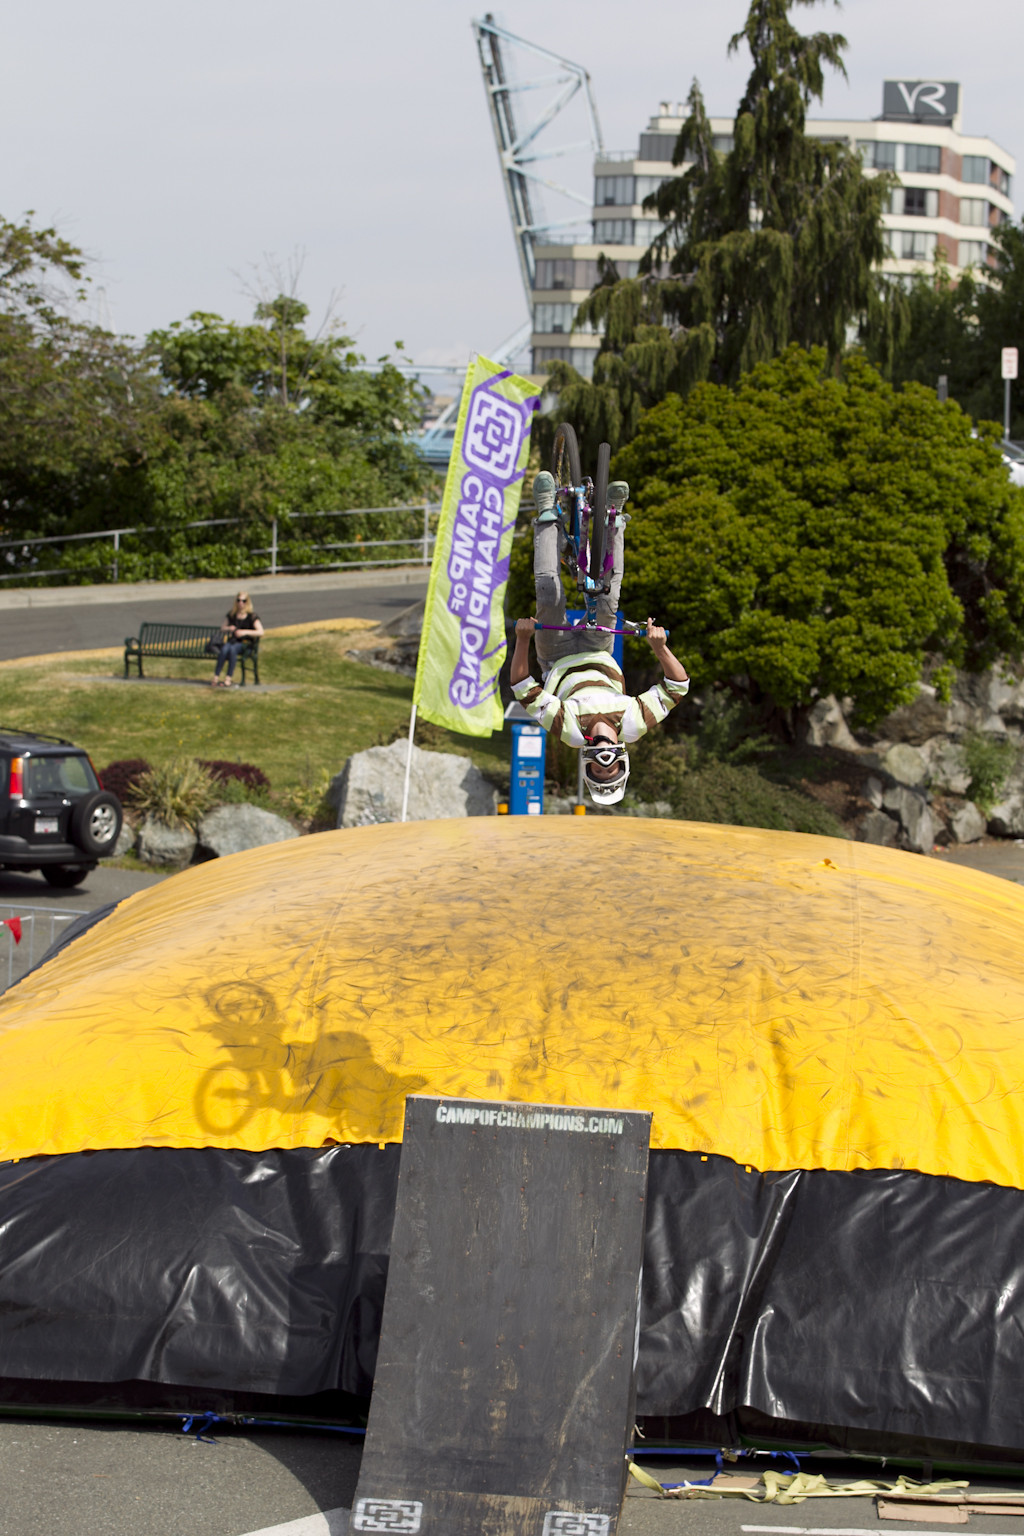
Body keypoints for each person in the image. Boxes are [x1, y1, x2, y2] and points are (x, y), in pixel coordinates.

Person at [509, 469, 689, 805]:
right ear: (622, 760)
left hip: (556, 655)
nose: (604, 763)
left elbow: (522, 688)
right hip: (598, 647)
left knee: (549, 593)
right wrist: (659, 647)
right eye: (612, 769)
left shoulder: (570, 731)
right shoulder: (634, 723)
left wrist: (522, 639)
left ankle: (547, 512)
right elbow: (677, 686)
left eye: (598, 771)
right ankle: (614, 520)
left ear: (588, 765)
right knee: (608, 597)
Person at [211, 591, 264, 687]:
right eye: (238, 600)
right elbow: (222, 628)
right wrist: (229, 628)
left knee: (232, 649)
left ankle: (228, 678)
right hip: (233, 641)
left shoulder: (252, 616)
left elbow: (260, 632)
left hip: (246, 644)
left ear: (247, 602)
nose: (241, 603)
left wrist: (245, 632)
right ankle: (216, 676)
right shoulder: (232, 615)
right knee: (224, 649)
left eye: (243, 601)